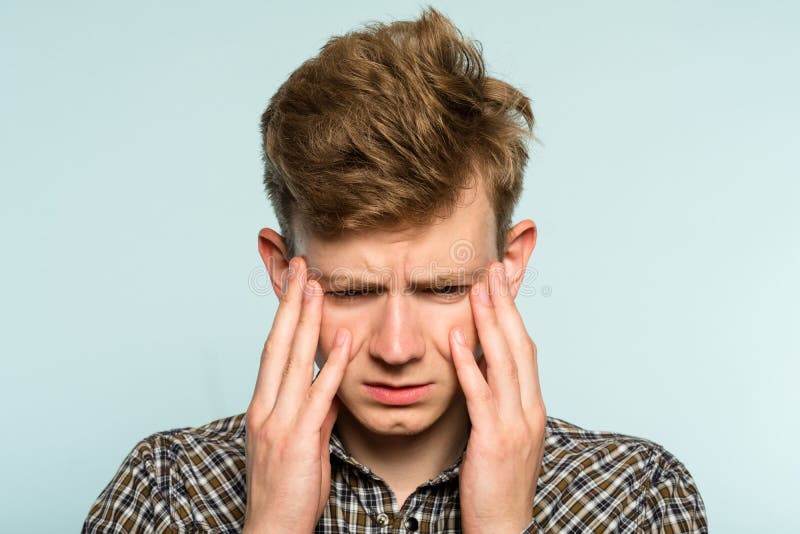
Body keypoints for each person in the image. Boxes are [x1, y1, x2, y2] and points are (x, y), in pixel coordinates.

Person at [82, 7, 707, 533]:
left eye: (444, 287)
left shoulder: (638, 497)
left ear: (510, 265)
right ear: (281, 271)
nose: (397, 347)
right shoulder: (168, 488)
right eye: (352, 290)